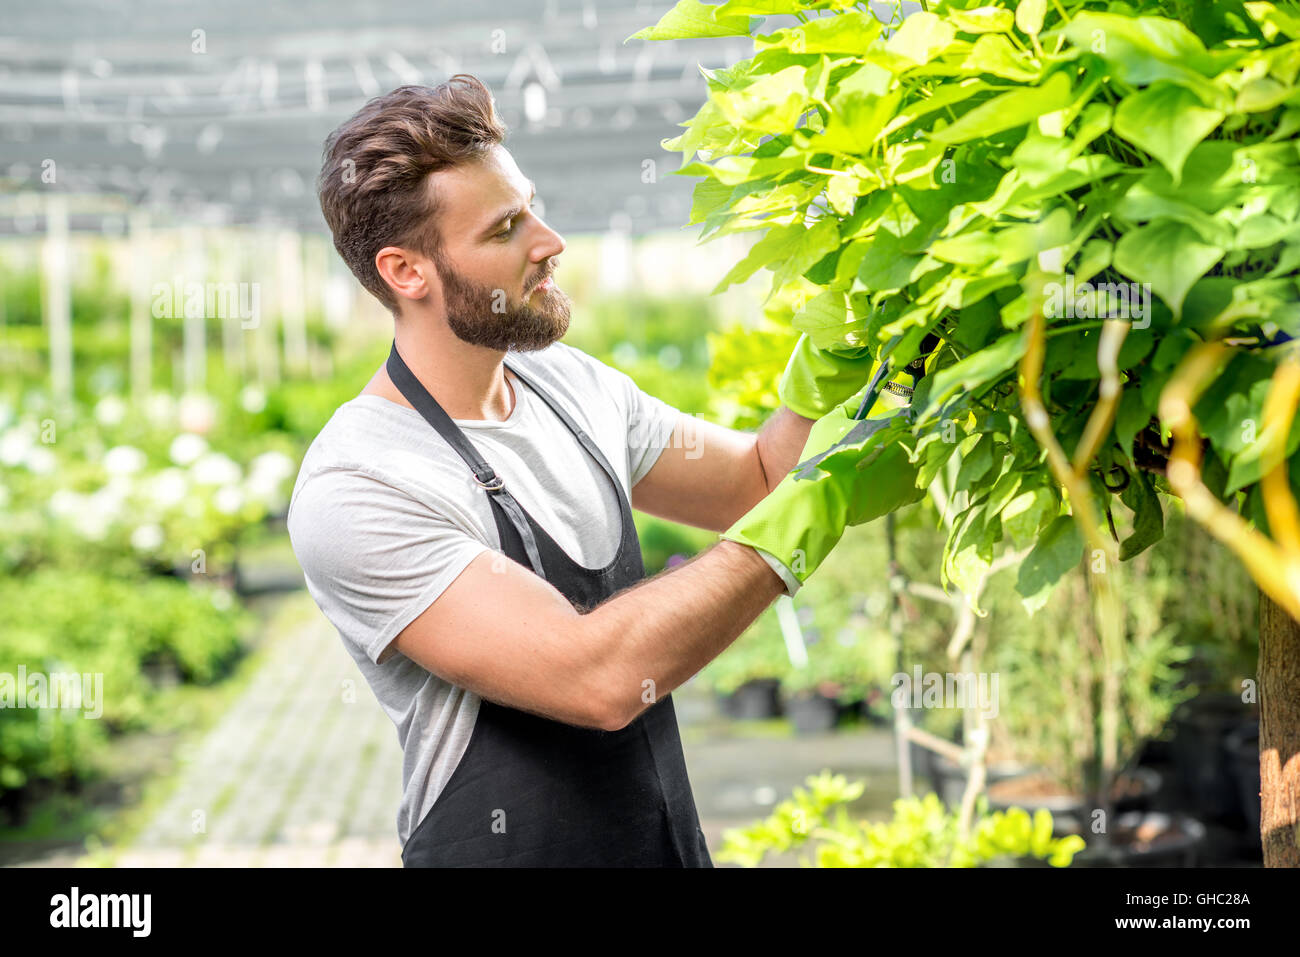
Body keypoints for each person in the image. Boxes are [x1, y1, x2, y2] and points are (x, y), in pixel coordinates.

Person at [288, 75, 909, 867]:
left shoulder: (572, 387)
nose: (549, 242)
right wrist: (812, 508)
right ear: (408, 271)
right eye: (506, 227)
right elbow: (599, 678)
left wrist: (827, 356)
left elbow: (756, 479)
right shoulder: (362, 483)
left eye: (532, 206)